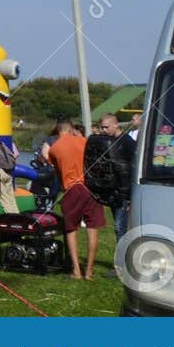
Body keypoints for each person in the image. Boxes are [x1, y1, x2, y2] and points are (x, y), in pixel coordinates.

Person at [44, 117, 103, 280]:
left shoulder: (54, 148)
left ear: (58, 131)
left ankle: (76, 270)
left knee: (71, 229)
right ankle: (89, 271)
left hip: (71, 189)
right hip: (90, 187)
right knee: (92, 227)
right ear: (71, 130)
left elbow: (57, 171)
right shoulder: (84, 141)